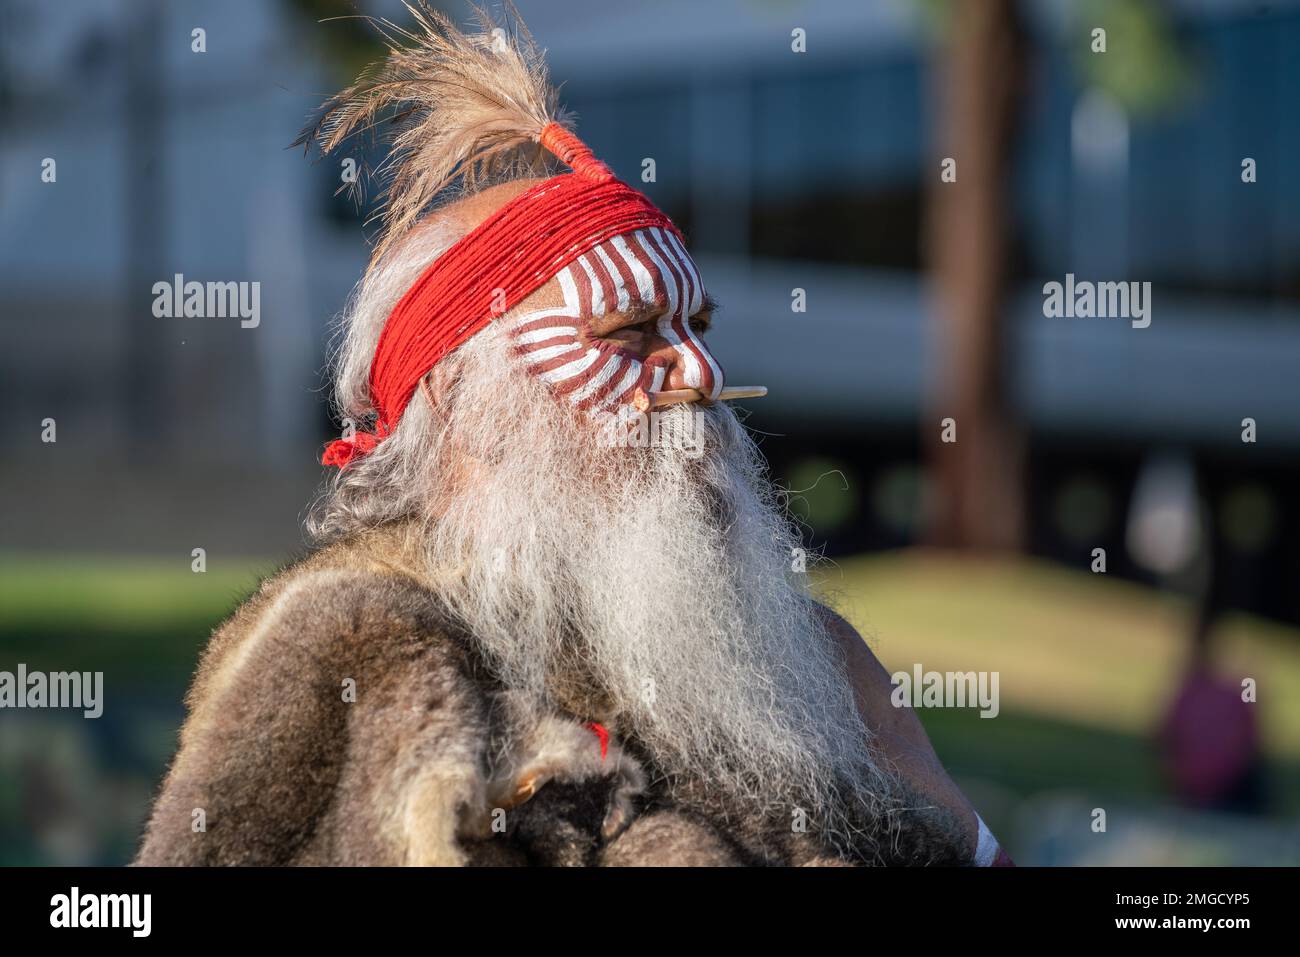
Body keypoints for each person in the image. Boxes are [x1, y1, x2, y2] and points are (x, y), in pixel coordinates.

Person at [136, 2, 1009, 866]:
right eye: (630, 335)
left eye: (697, 328)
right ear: (462, 400)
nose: (700, 375)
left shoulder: (815, 663)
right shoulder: (350, 648)